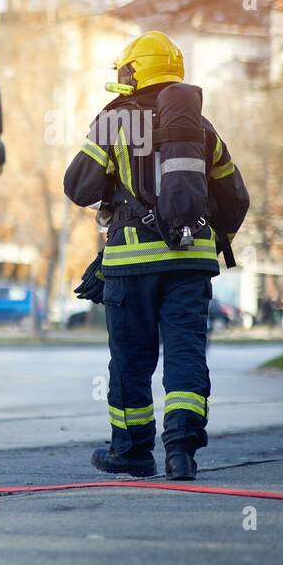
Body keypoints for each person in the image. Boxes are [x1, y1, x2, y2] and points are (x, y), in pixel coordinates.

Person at [64, 31, 250, 481]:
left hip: (131, 265)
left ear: (134, 73)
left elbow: (78, 187)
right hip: (191, 265)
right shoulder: (200, 129)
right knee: (186, 352)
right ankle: (182, 451)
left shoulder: (115, 121)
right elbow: (237, 198)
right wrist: (197, 232)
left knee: (131, 358)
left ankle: (131, 451)